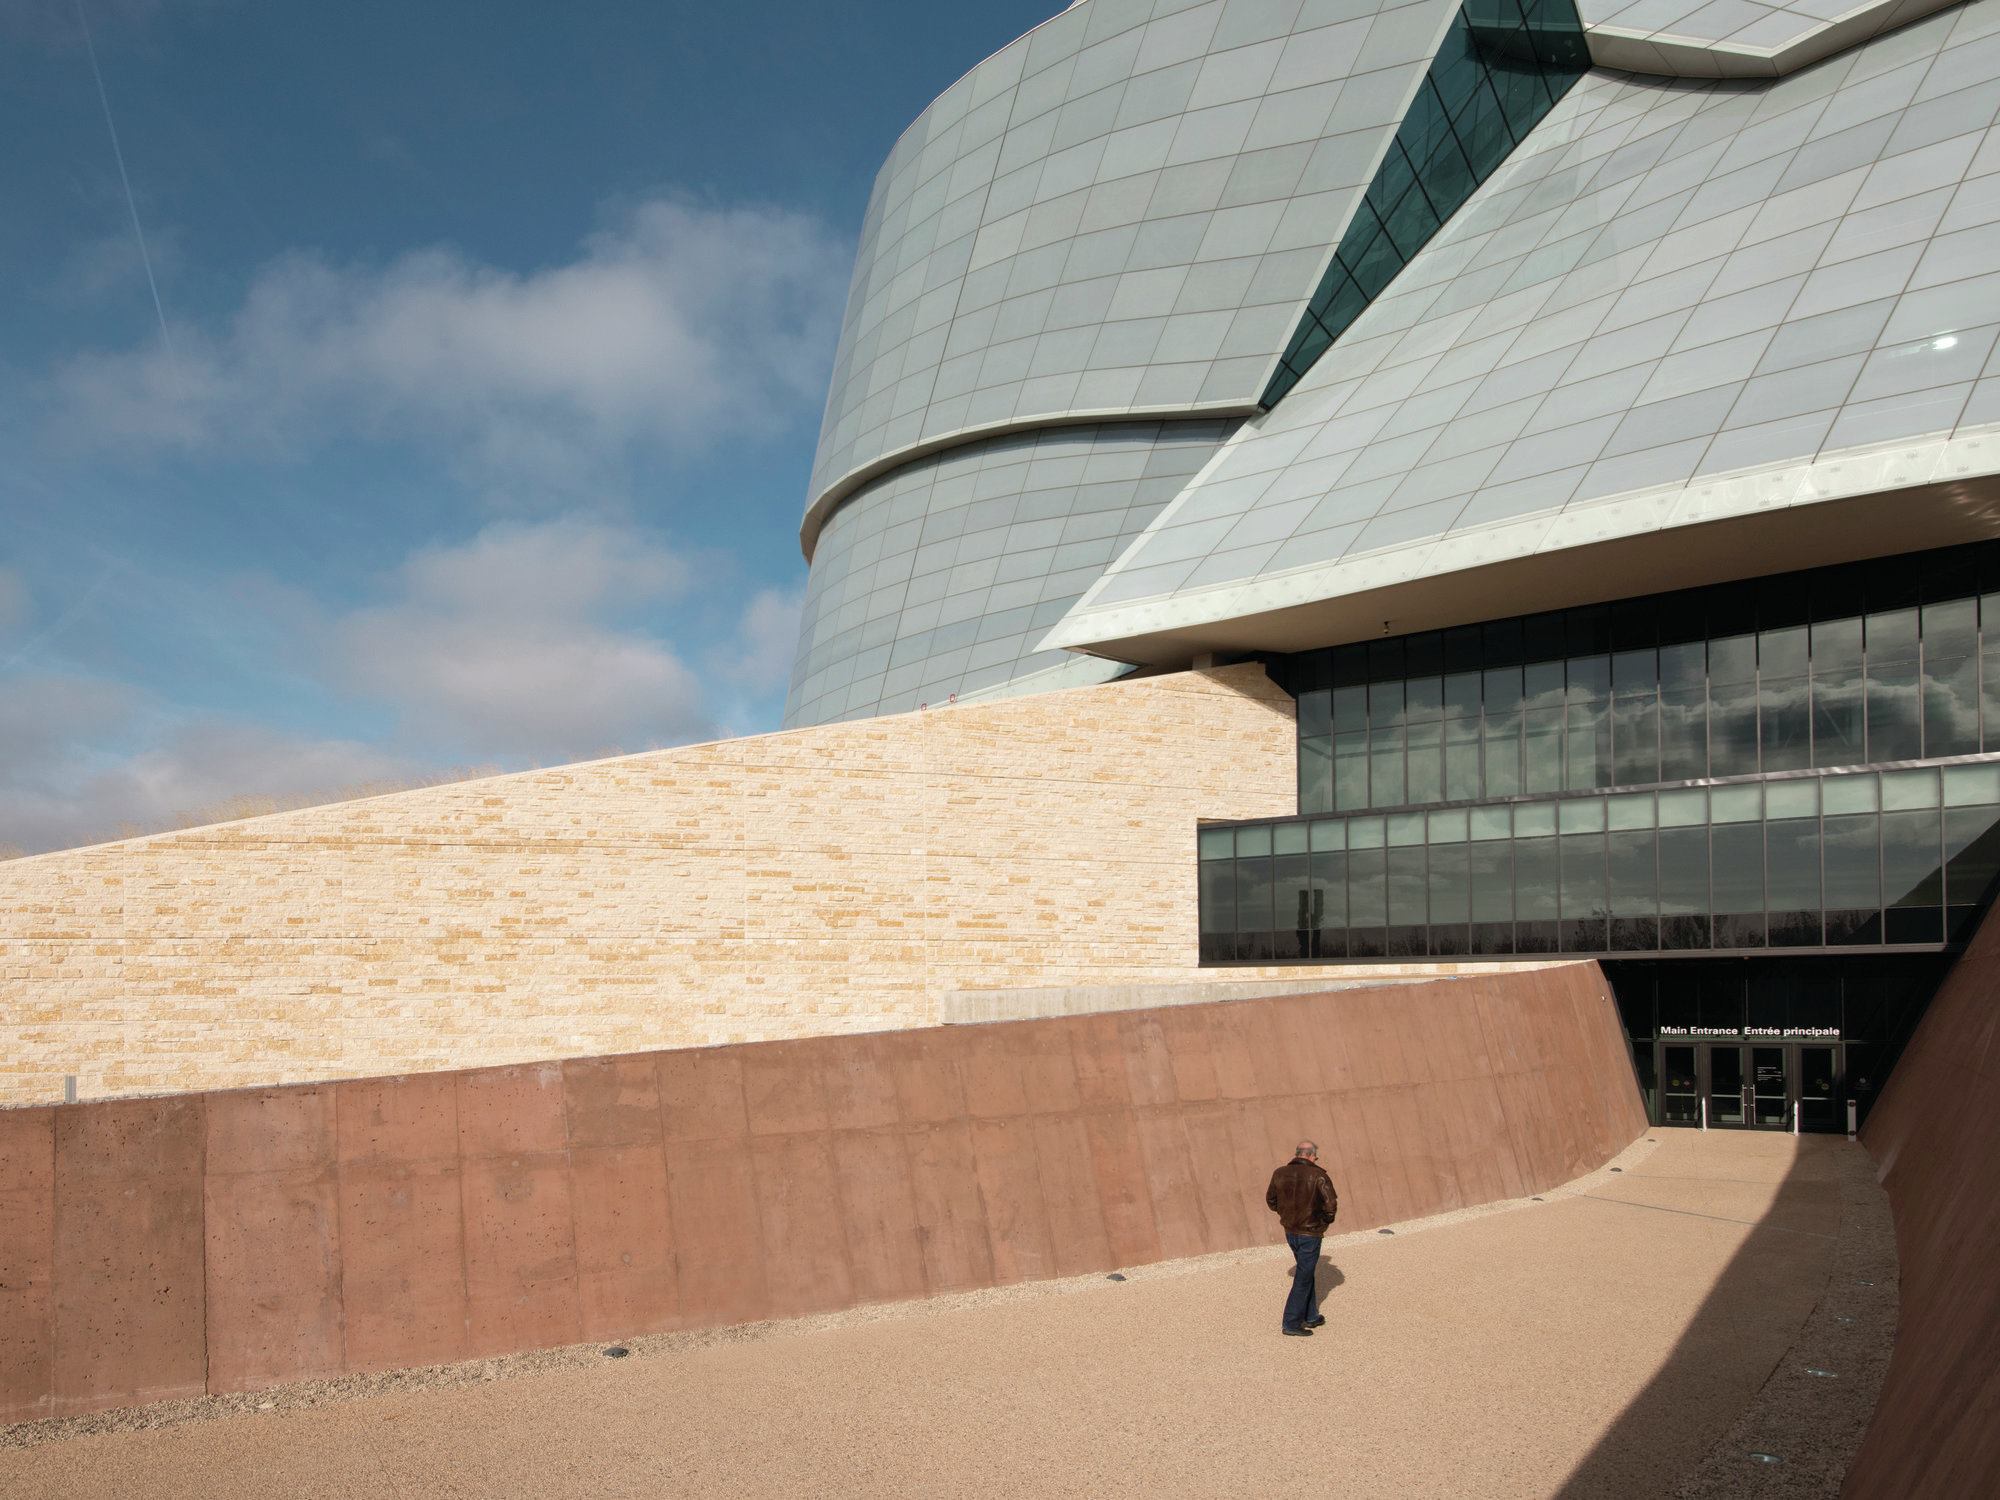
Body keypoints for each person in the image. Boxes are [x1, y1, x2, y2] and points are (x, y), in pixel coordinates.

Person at [1266, 1140, 1338, 1338]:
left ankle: (1311, 1315)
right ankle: (1291, 1322)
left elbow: (1271, 1201)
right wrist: (1322, 1222)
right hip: (1310, 1234)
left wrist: (1286, 1214)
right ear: (1308, 1155)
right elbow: (1330, 1206)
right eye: (1316, 1156)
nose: (1317, 1159)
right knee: (1303, 1278)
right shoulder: (1319, 1175)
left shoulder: (1279, 1173)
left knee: (1306, 1272)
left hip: (1290, 1231)